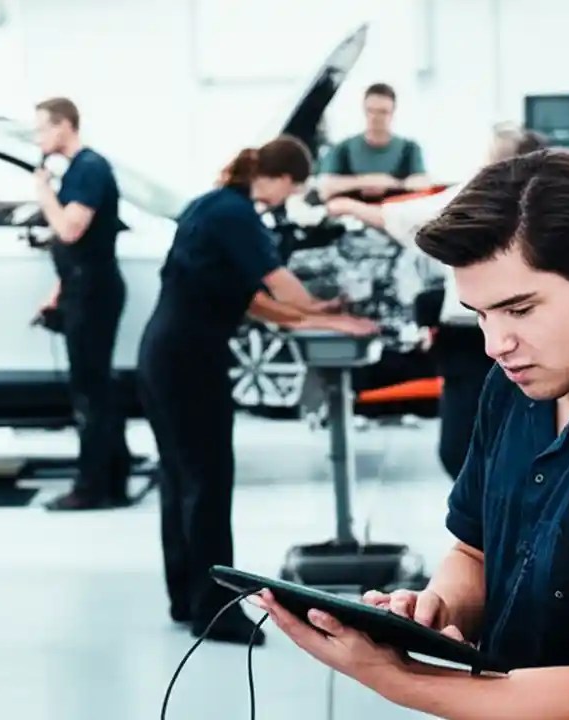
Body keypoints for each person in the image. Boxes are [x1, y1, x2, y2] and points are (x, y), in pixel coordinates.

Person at [258, 150, 569, 718]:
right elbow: (475, 551)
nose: (494, 344)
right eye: (480, 315)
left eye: (519, 310)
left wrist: (397, 678)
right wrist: (437, 608)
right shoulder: (518, 389)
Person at [139, 136, 378, 646]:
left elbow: (252, 300)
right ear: (275, 178)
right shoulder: (237, 214)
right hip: (188, 360)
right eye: (291, 188)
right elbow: (278, 283)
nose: (287, 199)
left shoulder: (211, 205)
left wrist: (319, 315)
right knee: (207, 480)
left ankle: (187, 597)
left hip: (164, 355)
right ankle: (215, 612)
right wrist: (330, 317)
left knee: (181, 479)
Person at [326, 123, 549, 480]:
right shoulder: (546, 202)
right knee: (521, 437)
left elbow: (399, 216)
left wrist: (345, 204)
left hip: (471, 334)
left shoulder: (479, 194)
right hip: (532, 333)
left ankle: (488, 527)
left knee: (462, 449)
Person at [32, 96, 134, 511]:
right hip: (81, 288)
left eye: (41, 128)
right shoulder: (78, 171)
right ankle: (111, 478)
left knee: (91, 393)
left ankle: (94, 485)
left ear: (64, 126)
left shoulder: (88, 169)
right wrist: (59, 290)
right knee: (94, 388)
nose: (38, 137)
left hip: (94, 291)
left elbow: (71, 229)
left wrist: (43, 192)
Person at [316, 83, 431, 202]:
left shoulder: (409, 148)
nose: (376, 118)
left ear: (392, 112)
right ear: (364, 110)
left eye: (383, 112)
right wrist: (367, 181)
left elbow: (422, 183)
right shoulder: (343, 149)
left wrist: (391, 183)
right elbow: (325, 186)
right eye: (371, 111)